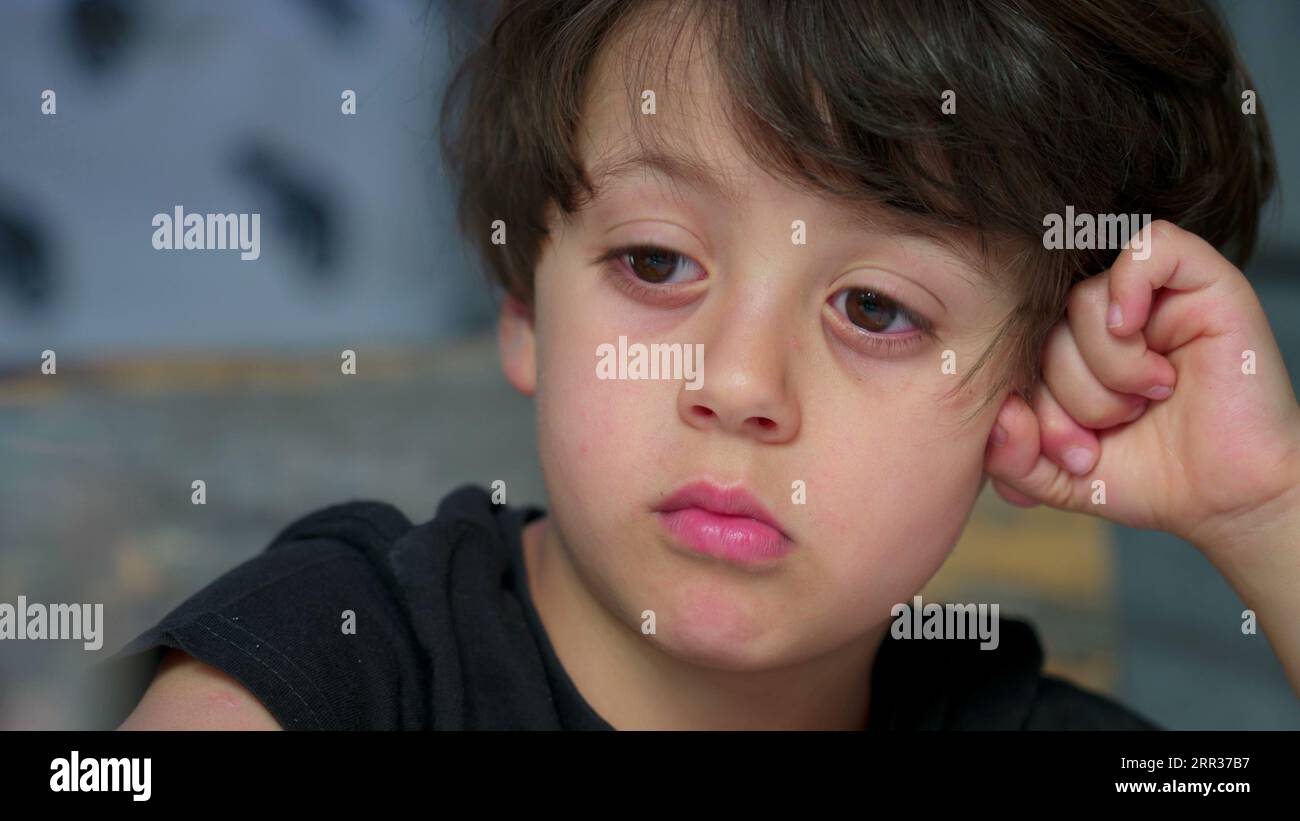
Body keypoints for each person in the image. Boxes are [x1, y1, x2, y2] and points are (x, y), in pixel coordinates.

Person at [95, 0, 1298, 730]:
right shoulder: (336, 657)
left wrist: (1266, 512)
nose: (739, 382)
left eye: (875, 305)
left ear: (1031, 389)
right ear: (524, 303)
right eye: (659, 264)